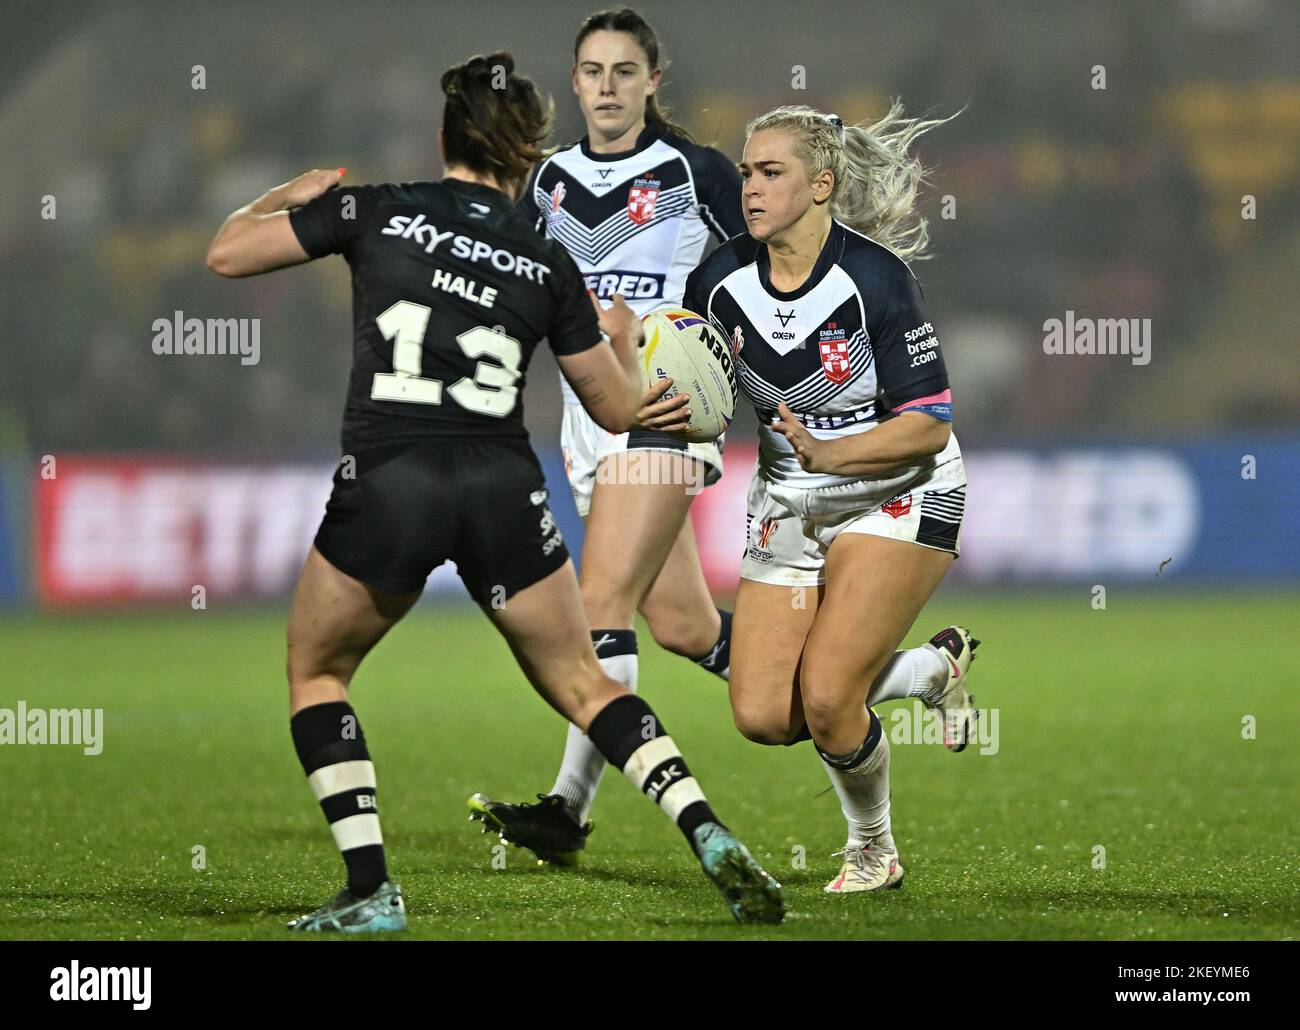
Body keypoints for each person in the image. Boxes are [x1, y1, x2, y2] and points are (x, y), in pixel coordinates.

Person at [205, 52, 783, 929]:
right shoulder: (546, 260)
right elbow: (619, 406)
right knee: (587, 682)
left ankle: (371, 890)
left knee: (318, 670)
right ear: (526, 158)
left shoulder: (376, 209)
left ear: (445, 136)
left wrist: (288, 195)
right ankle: (703, 829)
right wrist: (634, 344)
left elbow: (225, 256)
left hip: (391, 479)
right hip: (500, 489)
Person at [467, 8, 748, 865]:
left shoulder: (695, 171)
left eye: (625, 71)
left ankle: (568, 807)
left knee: (598, 608)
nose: (607, 88)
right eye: (592, 72)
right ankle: (910, 673)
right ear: (575, 80)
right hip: (586, 419)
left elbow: (758, 274)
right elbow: (526, 291)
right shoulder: (546, 181)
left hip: (662, 406)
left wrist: (750, 377)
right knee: (689, 630)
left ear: (654, 80)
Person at [681, 103, 982, 894]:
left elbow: (926, 426)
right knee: (763, 715)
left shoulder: (876, 279)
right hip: (789, 497)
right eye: (746, 171)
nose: (749, 187)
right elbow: (690, 380)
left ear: (821, 185)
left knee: (827, 694)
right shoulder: (716, 281)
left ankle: (872, 850)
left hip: (899, 492)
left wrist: (834, 451)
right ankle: (926, 672)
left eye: (770, 172)